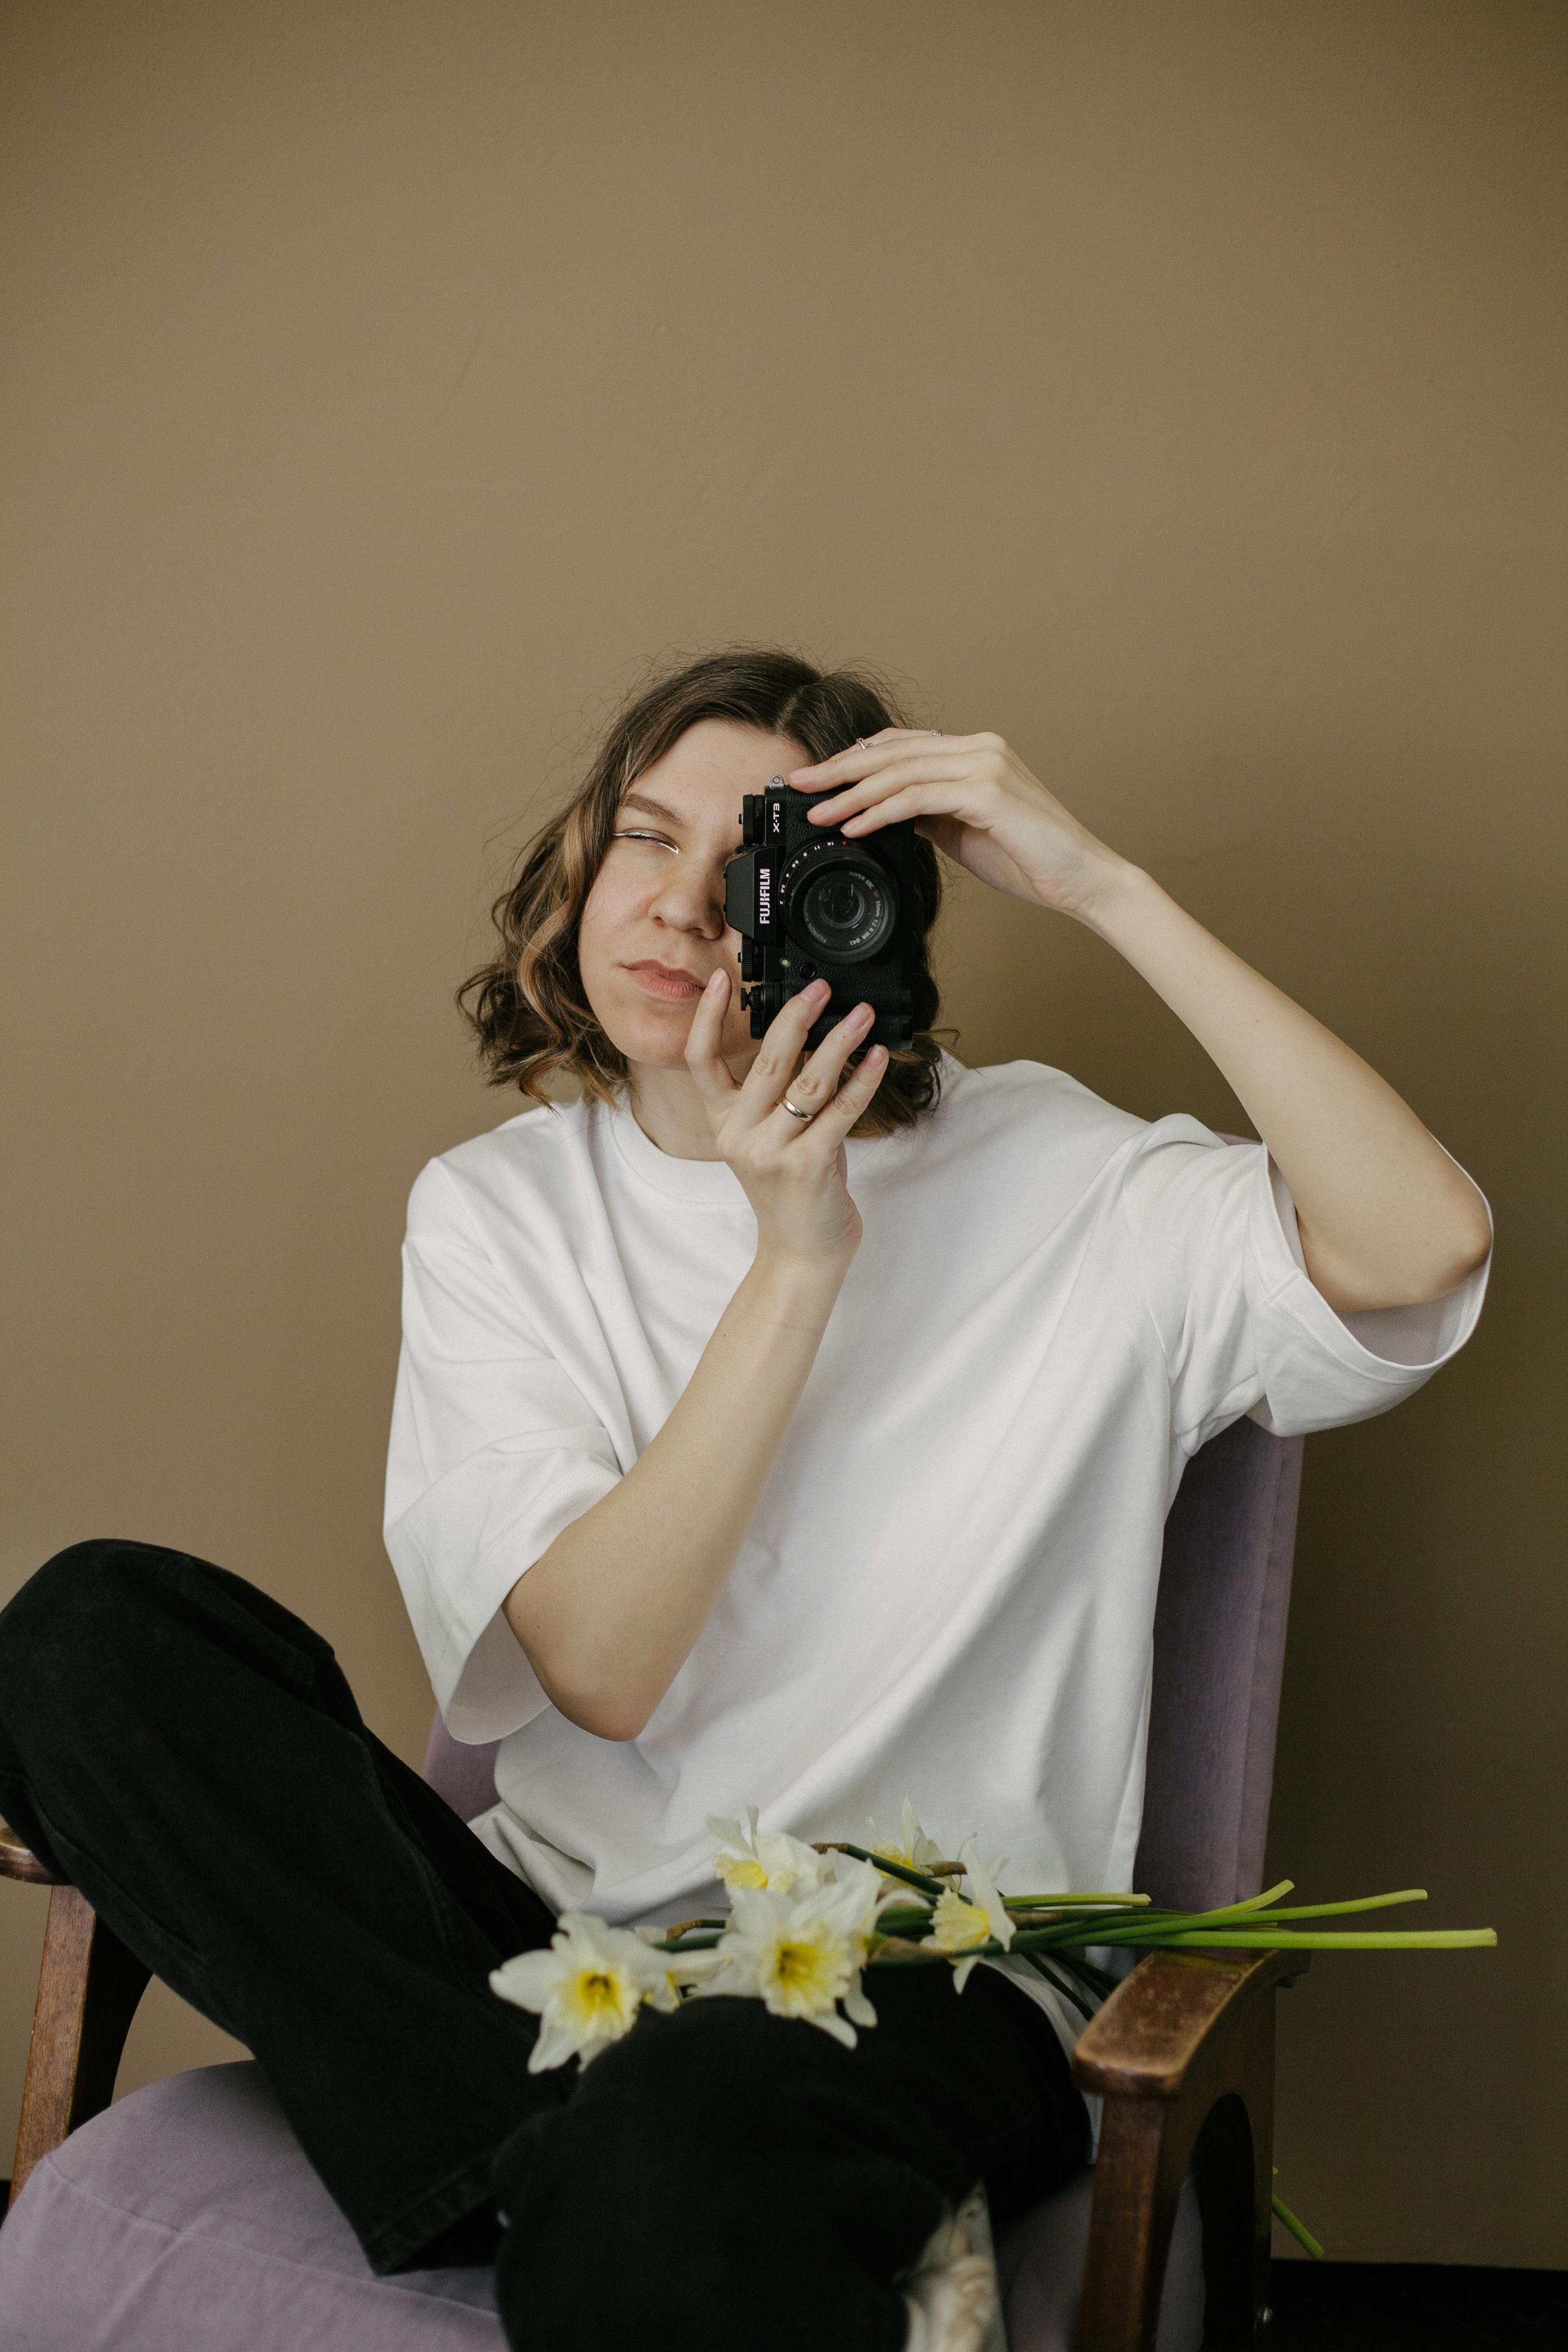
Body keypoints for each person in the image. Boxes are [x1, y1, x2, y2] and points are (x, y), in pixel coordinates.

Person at [0, 647, 1492, 2350]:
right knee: (89, 1633)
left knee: (684, 2131)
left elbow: (1424, 1243)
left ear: (866, 910)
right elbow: (602, 1666)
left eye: (760, 861)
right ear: (582, 863)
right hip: (550, 1958)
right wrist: (793, 1262)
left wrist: (1105, 886)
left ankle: (595, 2174)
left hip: (916, 1974)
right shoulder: (501, 1213)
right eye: (646, 836)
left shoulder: (1064, 1179)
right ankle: (535, 2165)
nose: (683, 905)